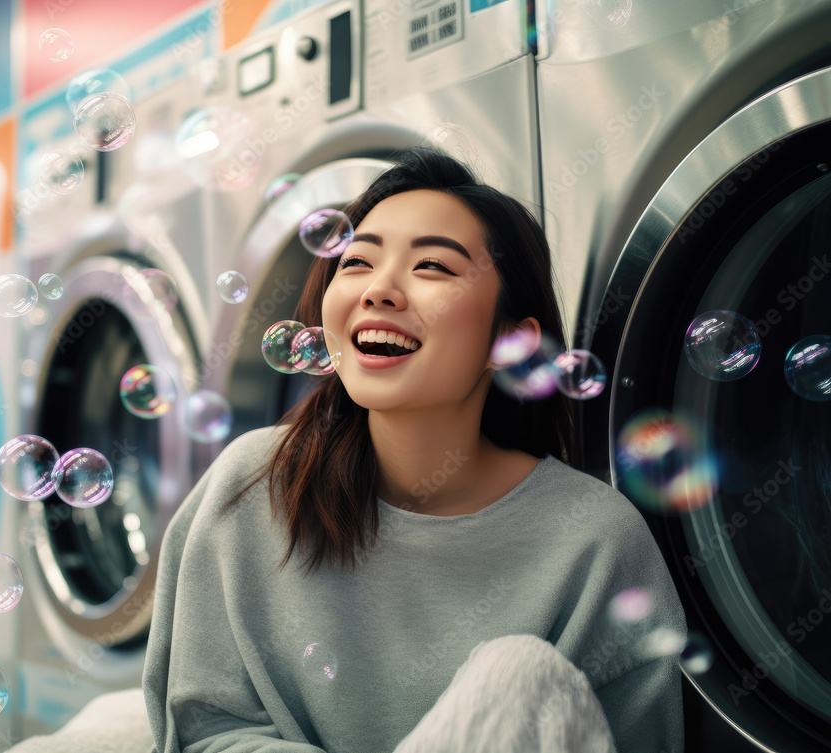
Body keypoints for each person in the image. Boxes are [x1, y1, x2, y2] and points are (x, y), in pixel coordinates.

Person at [142, 146, 686, 753]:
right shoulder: (254, 482)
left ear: (512, 343)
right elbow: (208, 729)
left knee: (517, 679)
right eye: (356, 262)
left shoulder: (596, 540)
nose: (380, 290)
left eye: (431, 267)